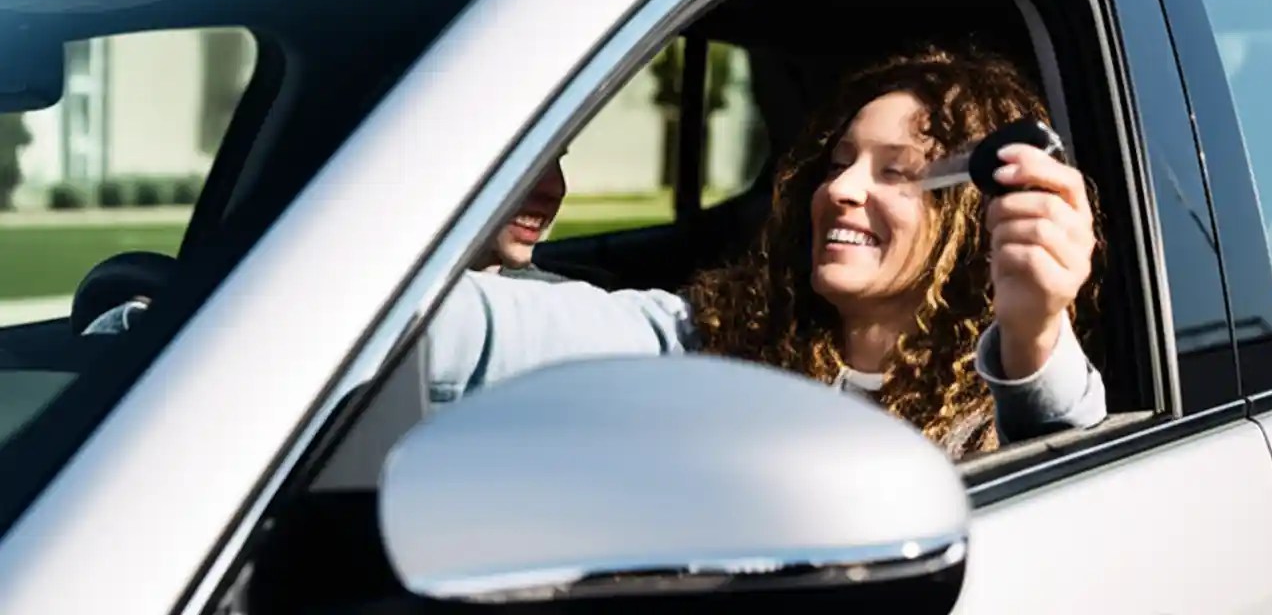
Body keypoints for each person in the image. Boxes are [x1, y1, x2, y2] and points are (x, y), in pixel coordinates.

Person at [405, 43, 1106, 459]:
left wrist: (1035, 334)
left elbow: (1065, 446)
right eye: (837, 163)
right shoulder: (715, 341)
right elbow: (483, 331)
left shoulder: (991, 406)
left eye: (896, 172)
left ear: (970, 211)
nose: (843, 190)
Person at [80, 156, 571, 334]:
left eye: (558, 156)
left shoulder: (561, 312)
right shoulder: (317, 316)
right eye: (534, 158)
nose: (552, 188)